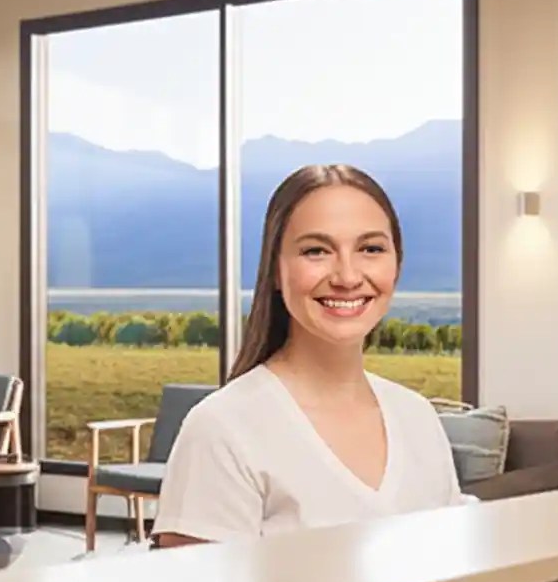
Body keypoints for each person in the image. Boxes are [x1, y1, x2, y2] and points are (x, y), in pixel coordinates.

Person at [150, 164, 467, 548]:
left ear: (396, 265)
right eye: (316, 251)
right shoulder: (223, 429)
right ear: (276, 272)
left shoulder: (417, 418)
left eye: (371, 249)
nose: (348, 276)